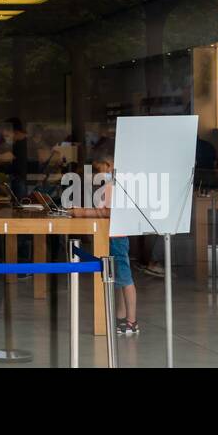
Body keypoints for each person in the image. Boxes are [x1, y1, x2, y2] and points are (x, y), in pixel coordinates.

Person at [70, 142, 139, 335]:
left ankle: (132, 321)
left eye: (99, 169)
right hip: (111, 236)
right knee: (116, 279)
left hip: (116, 237)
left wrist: (82, 212)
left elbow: (108, 212)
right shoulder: (113, 185)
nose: (99, 172)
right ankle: (120, 317)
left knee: (125, 279)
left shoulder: (113, 186)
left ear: (108, 165)